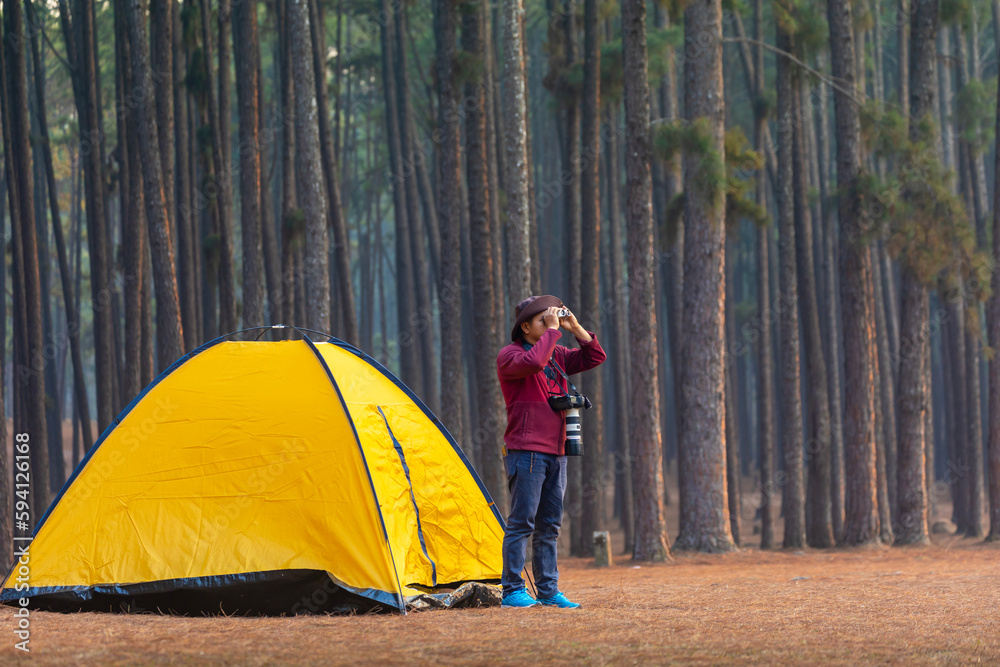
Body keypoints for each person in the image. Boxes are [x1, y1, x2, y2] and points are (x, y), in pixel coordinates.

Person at [495, 294, 607, 609]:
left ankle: (547, 592)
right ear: (525, 326)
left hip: (558, 451)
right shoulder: (510, 354)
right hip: (527, 450)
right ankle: (512, 590)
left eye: (551, 318)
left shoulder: (555, 353)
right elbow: (534, 363)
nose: (549, 324)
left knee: (550, 524)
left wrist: (574, 326)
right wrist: (554, 331)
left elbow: (595, 356)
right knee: (522, 522)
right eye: (542, 320)